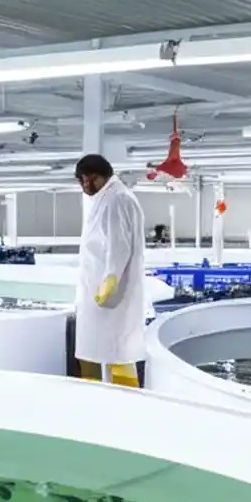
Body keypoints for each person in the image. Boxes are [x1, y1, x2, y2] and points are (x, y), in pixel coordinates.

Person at [75, 154, 146, 387]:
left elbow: (119, 245)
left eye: (91, 179)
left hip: (111, 295)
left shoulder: (117, 198)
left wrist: (110, 279)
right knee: (102, 349)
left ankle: (127, 400)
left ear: (105, 175)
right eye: (82, 181)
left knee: (117, 350)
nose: (87, 186)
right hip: (97, 292)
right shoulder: (105, 198)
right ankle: (95, 394)